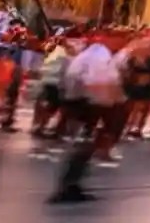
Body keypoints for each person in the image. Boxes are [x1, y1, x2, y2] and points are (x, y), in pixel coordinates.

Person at [52, 29, 129, 204]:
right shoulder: (99, 56)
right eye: (120, 39)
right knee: (83, 144)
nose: (122, 44)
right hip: (86, 104)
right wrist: (110, 106)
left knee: (84, 145)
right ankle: (68, 186)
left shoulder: (98, 54)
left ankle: (72, 184)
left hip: (84, 103)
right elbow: (96, 82)